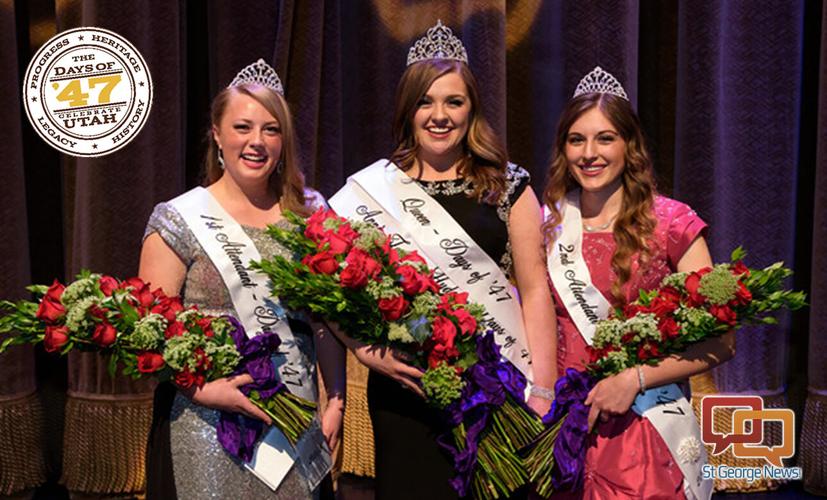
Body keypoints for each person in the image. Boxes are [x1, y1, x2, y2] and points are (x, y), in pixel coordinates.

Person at [328, 21, 557, 499]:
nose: (439, 115)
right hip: (407, 390)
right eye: (425, 102)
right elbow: (326, 293)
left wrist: (543, 389)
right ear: (408, 111)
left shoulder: (507, 186)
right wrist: (364, 350)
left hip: (497, 384)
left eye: (454, 102)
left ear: (471, 109)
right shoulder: (371, 192)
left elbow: (535, 290)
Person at [138, 59, 345, 499]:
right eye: (242, 127)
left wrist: (337, 401)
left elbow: (325, 321)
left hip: (296, 422)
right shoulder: (178, 219)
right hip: (204, 425)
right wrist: (203, 389)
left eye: (271, 129)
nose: (256, 142)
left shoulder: (312, 214)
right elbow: (150, 330)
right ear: (217, 134)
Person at [543, 67, 735, 500]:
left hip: (644, 426)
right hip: (563, 429)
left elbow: (722, 342)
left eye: (605, 138)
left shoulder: (672, 223)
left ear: (630, 146)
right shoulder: (545, 227)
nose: (589, 153)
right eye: (577, 140)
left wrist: (635, 379)